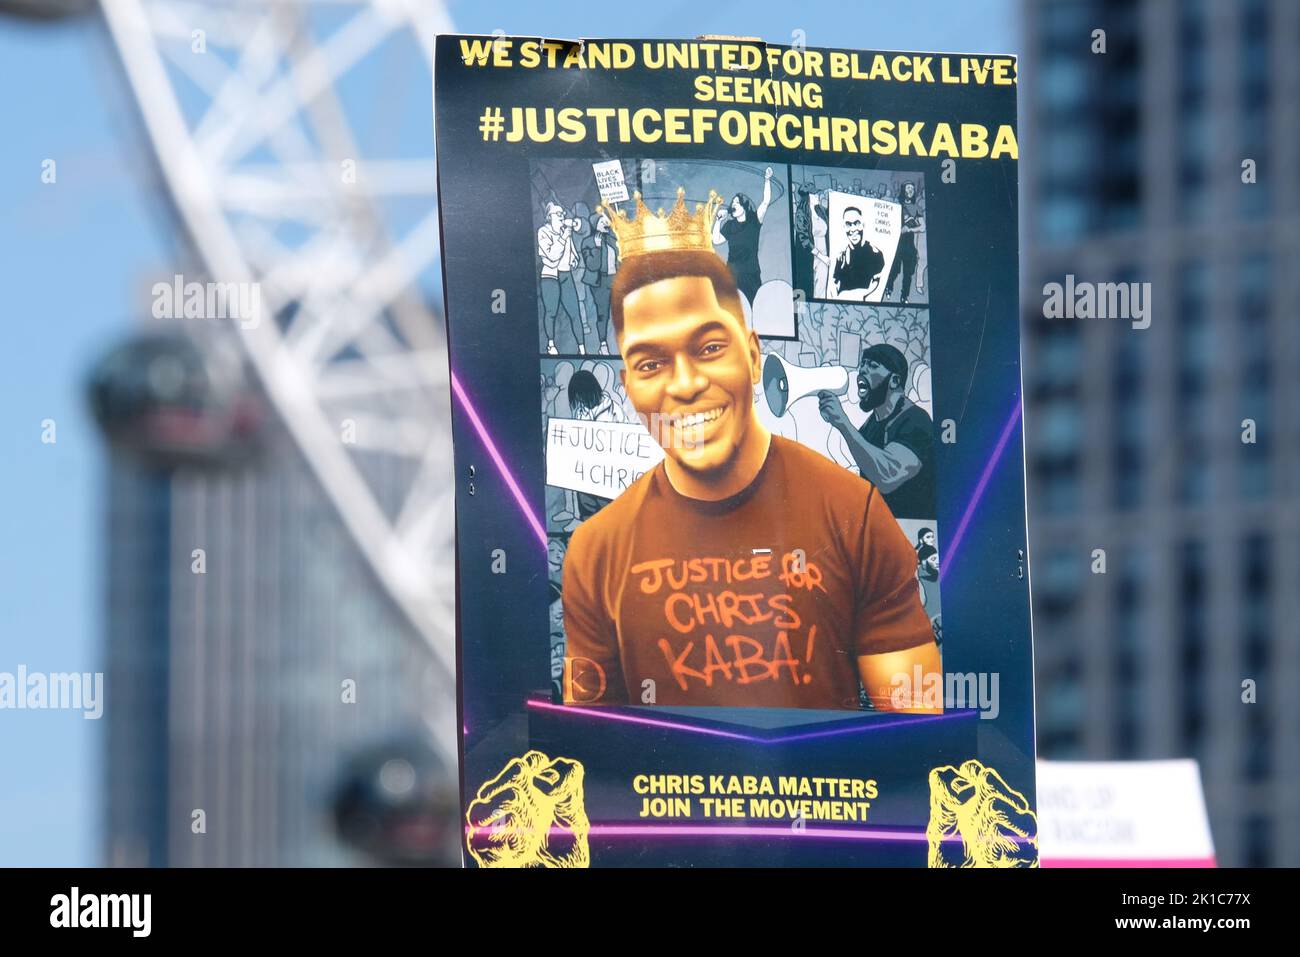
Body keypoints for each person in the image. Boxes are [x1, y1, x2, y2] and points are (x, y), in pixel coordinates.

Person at [561, 190, 940, 711]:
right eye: (650, 364)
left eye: (710, 347)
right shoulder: (593, 554)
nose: (687, 384)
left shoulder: (857, 517)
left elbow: (917, 735)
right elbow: (593, 753)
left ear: (754, 356)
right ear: (628, 387)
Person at [818, 343, 935, 520]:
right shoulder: (869, 427)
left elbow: (888, 475)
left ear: (894, 380)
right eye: (862, 364)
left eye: (872, 366)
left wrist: (842, 423)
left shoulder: (915, 420)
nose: (862, 370)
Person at [711, 167, 774, 306]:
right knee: (732, 308)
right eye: (732, 203)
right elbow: (715, 240)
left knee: (754, 306)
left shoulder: (754, 221)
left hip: (751, 273)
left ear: (744, 206)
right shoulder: (729, 225)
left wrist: (767, 180)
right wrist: (718, 220)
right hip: (732, 274)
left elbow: (765, 201)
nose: (733, 205)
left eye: (736, 203)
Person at [537, 201, 585, 354]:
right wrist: (564, 237)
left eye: (563, 214)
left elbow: (572, 252)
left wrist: (575, 259)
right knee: (551, 312)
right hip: (550, 276)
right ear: (548, 217)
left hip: (565, 275)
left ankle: (582, 349)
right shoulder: (543, 232)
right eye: (558, 214)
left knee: (575, 313)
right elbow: (552, 256)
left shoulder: (565, 232)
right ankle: (551, 344)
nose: (562, 216)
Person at [580, 211, 619, 355]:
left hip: (615, 279)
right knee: (603, 314)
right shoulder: (588, 242)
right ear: (595, 224)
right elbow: (592, 265)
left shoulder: (612, 239)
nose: (606, 224)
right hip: (600, 282)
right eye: (602, 222)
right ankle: (603, 344)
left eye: (607, 221)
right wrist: (596, 247)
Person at [831, 206, 885, 301]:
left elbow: (877, 282)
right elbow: (834, 283)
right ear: (844, 227)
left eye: (857, 223)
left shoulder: (875, 253)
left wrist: (861, 295)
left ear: (863, 225)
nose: (853, 229)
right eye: (848, 224)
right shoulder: (841, 256)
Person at [885, 181, 924, 303]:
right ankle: (888, 288)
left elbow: (922, 227)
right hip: (895, 244)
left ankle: (904, 296)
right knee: (894, 270)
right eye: (908, 188)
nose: (910, 190)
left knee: (908, 273)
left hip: (909, 246)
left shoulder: (917, 208)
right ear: (903, 190)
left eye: (912, 188)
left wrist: (909, 229)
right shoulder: (896, 206)